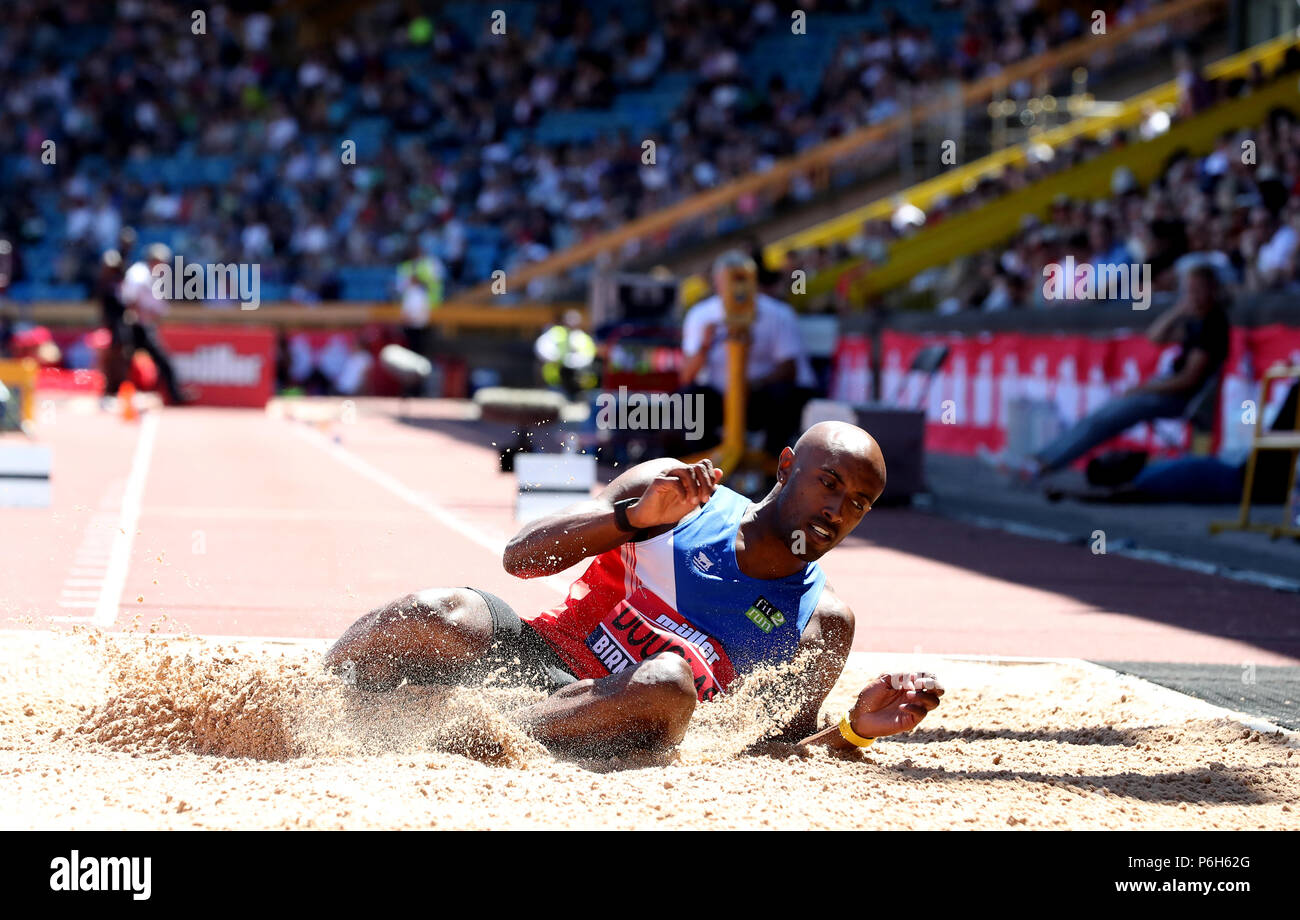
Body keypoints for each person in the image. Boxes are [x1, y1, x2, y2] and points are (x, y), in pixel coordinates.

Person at [324, 421, 944, 755]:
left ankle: (467, 733)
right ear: (786, 467)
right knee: (440, 612)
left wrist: (856, 730)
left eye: (859, 502)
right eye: (829, 483)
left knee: (668, 679)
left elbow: (780, 743)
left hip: (620, 715)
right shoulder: (674, 495)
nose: (838, 509)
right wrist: (631, 521)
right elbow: (522, 559)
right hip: (543, 658)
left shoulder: (822, 620)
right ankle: (310, 695)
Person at [1026, 262, 1230, 480]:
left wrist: (1143, 388)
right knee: (1099, 415)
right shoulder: (1195, 320)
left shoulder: (1213, 325)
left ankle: (1046, 464)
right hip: (1165, 387)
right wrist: (1178, 310)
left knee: (1104, 421)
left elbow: (1188, 380)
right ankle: (1041, 458)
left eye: (1197, 290)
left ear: (1212, 289)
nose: (1193, 296)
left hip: (1178, 397)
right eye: (1189, 290)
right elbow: (1155, 336)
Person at [678, 251, 817, 457]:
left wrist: (752, 386)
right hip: (720, 397)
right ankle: (703, 463)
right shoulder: (701, 315)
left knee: (784, 394)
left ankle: (774, 461)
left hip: (759, 397)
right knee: (689, 399)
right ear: (717, 282)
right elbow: (686, 376)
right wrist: (705, 345)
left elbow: (790, 369)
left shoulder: (778, 313)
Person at [119, 243, 188, 405]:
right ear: (154, 260)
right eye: (162, 262)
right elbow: (130, 299)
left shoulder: (154, 277)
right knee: (131, 363)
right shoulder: (138, 273)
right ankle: (121, 394)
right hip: (135, 326)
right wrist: (141, 312)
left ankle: (172, 395)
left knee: (158, 362)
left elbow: (158, 307)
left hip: (145, 325)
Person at [534, 309, 597, 399]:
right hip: (555, 380)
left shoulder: (583, 338)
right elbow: (542, 347)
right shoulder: (555, 333)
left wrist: (571, 362)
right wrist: (555, 358)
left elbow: (588, 356)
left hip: (579, 382)